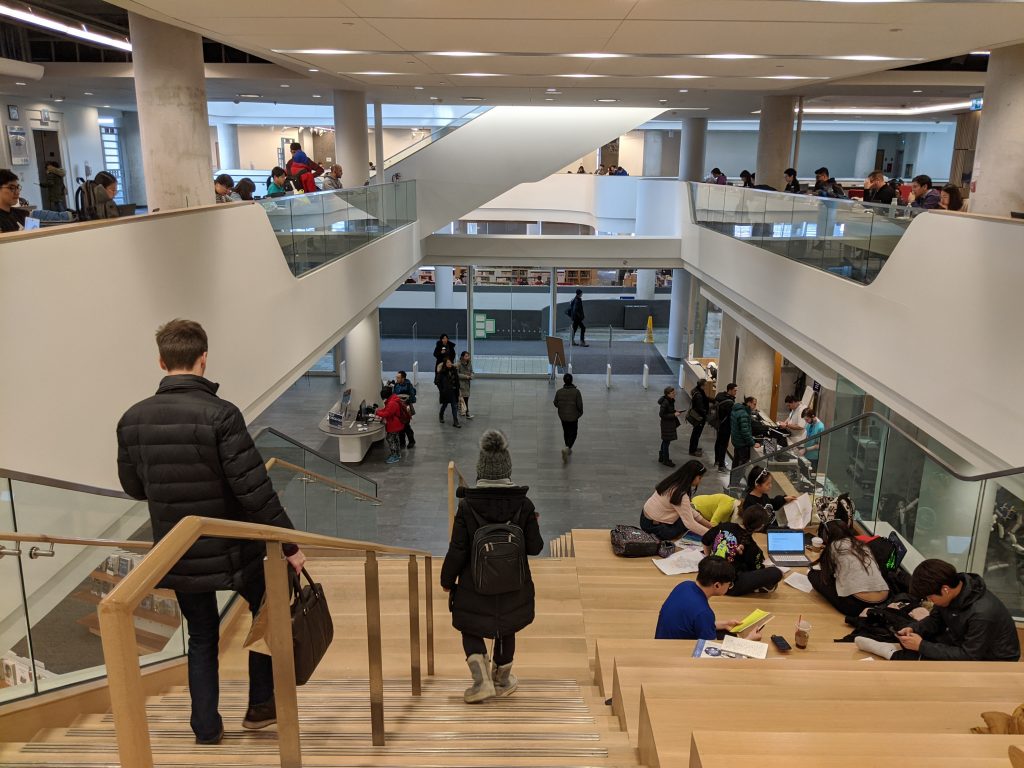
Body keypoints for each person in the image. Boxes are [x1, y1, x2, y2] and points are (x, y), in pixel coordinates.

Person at [115, 319, 305, 745]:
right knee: (268, 609)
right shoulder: (221, 415)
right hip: (234, 547)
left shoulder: (132, 420)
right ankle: (260, 706)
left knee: (201, 636)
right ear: (203, 359)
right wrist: (290, 545)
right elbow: (254, 491)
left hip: (178, 549)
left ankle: (205, 727)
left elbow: (134, 488)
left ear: (161, 361)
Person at [440, 430, 544, 703]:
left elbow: (458, 549)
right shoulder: (524, 504)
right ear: (507, 470)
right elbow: (535, 547)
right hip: (514, 584)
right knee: (506, 628)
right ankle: (503, 680)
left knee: (471, 627)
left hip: (474, 583)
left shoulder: (467, 506)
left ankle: (481, 682)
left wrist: (447, 580)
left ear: (480, 471)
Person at [856, 558, 1020, 662]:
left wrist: (921, 646)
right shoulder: (953, 592)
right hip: (963, 641)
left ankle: (892, 653)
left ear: (945, 589)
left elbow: (970, 656)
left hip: (993, 662)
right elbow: (935, 620)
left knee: (924, 657)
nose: (929, 601)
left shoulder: (982, 613)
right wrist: (914, 628)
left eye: (930, 597)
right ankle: (894, 651)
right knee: (926, 642)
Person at [807, 520, 889, 617]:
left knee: (812, 575)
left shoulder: (833, 546)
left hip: (857, 605)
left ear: (826, 536)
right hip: (884, 601)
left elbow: (827, 577)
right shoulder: (862, 545)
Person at [654, 556, 746, 640]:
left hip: (662, 643)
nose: (729, 586)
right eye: (729, 584)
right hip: (679, 650)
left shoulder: (684, 585)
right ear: (717, 585)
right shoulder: (703, 612)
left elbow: (695, 623)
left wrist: (725, 624)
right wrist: (746, 641)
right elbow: (710, 648)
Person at [702, 503, 783, 595]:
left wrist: (708, 558)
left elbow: (705, 540)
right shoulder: (752, 547)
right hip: (728, 586)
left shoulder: (725, 525)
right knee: (776, 573)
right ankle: (755, 589)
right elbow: (756, 571)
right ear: (761, 526)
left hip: (709, 575)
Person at [640, 460, 712, 540]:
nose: (700, 481)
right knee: (686, 523)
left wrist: (709, 525)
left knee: (691, 516)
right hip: (654, 527)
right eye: (699, 478)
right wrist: (713, 535)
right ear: (691, 477)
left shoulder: (672, 481)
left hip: (645, 518)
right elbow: (690, 524)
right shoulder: (680, 494)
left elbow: (687, 509)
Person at [553, 372, 583, 463]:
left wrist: (562, 407)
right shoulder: (576, 392)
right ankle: (567, 448)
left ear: (564, 381)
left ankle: (567, 448)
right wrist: (579, 413)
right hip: (573, 417)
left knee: (566, 432)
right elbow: (580, 406)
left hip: (563, 416)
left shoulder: (559, 392)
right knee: (573, 433)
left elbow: (555, 403)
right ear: (572, 381)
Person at [374, 383, 405, 464]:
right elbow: (386, 410)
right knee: (395, 439)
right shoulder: (393, 399)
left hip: (394, 425)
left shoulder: (392, 403)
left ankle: (394, 456)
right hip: (396, 424)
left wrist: (377, 412)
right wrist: (379, 411)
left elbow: (386, 414)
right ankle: (397, 454)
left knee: (390, 439)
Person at [712, 382, 737, 472]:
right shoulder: (729, 402)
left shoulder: (719, 395)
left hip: (718, 423)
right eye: (735, 390)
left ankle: (717, 461)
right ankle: (721, 466)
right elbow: (731, 415)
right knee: (723, 445)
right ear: (730, 390)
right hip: (726, 426)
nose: (736, 392)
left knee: (718, 442)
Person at [657, 385, 682, 467]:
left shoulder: (670, 401)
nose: (674, 394)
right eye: (672, 393)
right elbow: (662, 414)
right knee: (666, 442)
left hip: (668, 424)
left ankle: (662, 457)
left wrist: (675, 411)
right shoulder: (666, 402)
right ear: (668, 394)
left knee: (665, 440)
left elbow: (668, 411)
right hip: (666, 424)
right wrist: (674, 415)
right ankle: (666, 460)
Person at [729, 395, 757, 469]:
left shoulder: (737, 410)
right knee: (742, 465)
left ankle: (733, 476)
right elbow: (745, 432)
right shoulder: (744, 414)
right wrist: (753, 443)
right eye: (754, 404)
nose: (755, 406)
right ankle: (737, 476)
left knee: (736, 461)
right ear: (749, 403)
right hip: (742, 443)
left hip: (736, 441)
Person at [392, 370, 416, 449]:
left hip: (406, 408)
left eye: (398, 378)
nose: (397, 379)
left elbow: (413, 398)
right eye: (396, 377)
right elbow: (394, 395)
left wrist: (404, 400)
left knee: (406, 426)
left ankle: (411, 441)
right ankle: (402, 442)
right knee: (400, 425)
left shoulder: (408, 385)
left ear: (403, 378)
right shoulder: (396, 385)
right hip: (398, 408)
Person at [687, 379, 712, 457]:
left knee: (696, 433)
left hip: (699, 416)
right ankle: (692, 450)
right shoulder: (698, 395)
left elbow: (705, 398)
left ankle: (694, 448)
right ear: (702, 385)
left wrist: (713, 400)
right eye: (705, 385)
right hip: (699, 417)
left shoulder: (698, 391)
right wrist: (706, 415)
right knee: (696, 434)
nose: (706, 386)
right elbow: (700, 408)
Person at [436, 357, 461, 428]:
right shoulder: (442, 372)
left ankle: (455, 421)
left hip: (454, 391)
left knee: (454, 406)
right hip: (446, 392)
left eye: (450, 362)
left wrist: (458, 388)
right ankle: (441, 415)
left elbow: (457, 380)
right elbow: (438, 382)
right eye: (447, 362)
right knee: (445, 405)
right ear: (445, 364)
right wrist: (442, 390)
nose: (449, 363)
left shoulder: (454, 370)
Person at [802, 408, 825, 472]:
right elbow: (807, 437)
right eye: (805, 420)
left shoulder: (820, 427)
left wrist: (806, 449)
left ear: (813, 416)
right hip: (806, 454)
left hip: (813, 457)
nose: (806, 421)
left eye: (807, 419)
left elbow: (819, 445)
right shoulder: (809, 424)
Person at [457, 350, 475, 420]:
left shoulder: (469, 363)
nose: (468, 357)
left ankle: (463, 411)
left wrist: (472, 375)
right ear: (462, 357)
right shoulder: (459, 364)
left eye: (468, 356)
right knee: (464, 398)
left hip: (467, 384)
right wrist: (466, 376)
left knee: (465, 398)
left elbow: (472, 371)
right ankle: (467, 412)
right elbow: (457, 374)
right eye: (466, 356)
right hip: (461, 384)